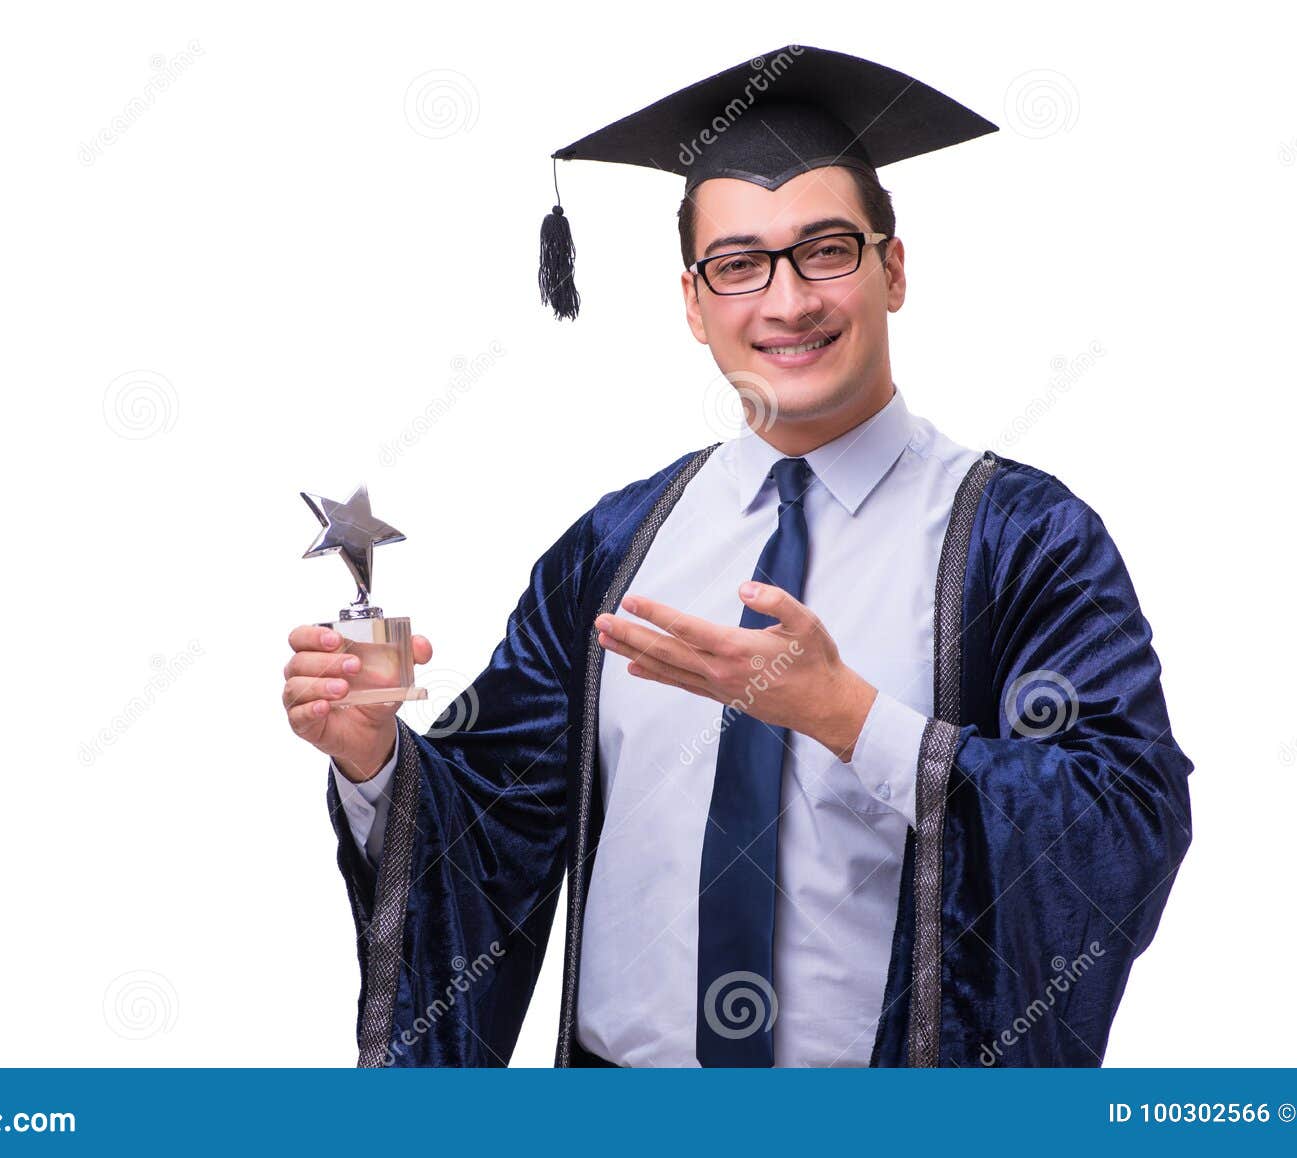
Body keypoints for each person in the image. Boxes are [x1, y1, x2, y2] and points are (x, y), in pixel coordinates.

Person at [281, 44, 1193, 1067]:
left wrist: (849, 720)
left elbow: (1121, 820)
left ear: (893, 270)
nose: (787, 301)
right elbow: (493, 825)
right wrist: (373, 760)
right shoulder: (614, 548)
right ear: (693, 301)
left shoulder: (1022, 540)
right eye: (739, 264)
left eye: (827, 251)